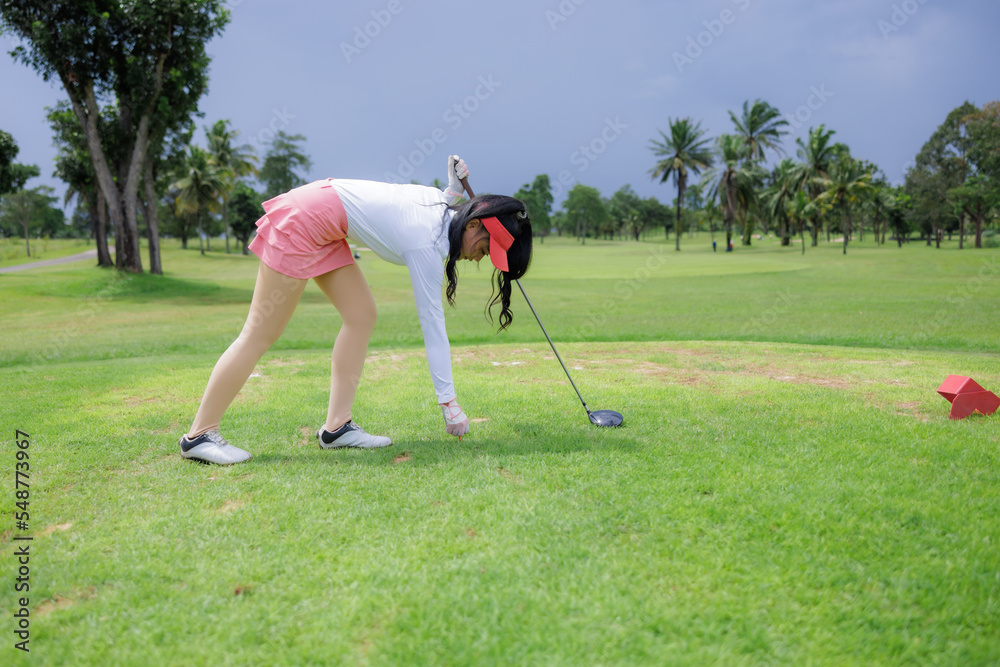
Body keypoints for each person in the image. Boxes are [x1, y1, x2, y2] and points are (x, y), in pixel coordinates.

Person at [179, 156, 533, 465]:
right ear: (472, 225)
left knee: (361, 315)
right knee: (260, 332)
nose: (482, 258)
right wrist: (449, 403)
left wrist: (453, 189)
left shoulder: (443, 211)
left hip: (328, 226)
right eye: (486, 248)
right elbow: (432, 323)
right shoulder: (425, 240)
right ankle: (200, 435)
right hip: (305, 220)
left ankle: (337, 427)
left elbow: (433, 205)